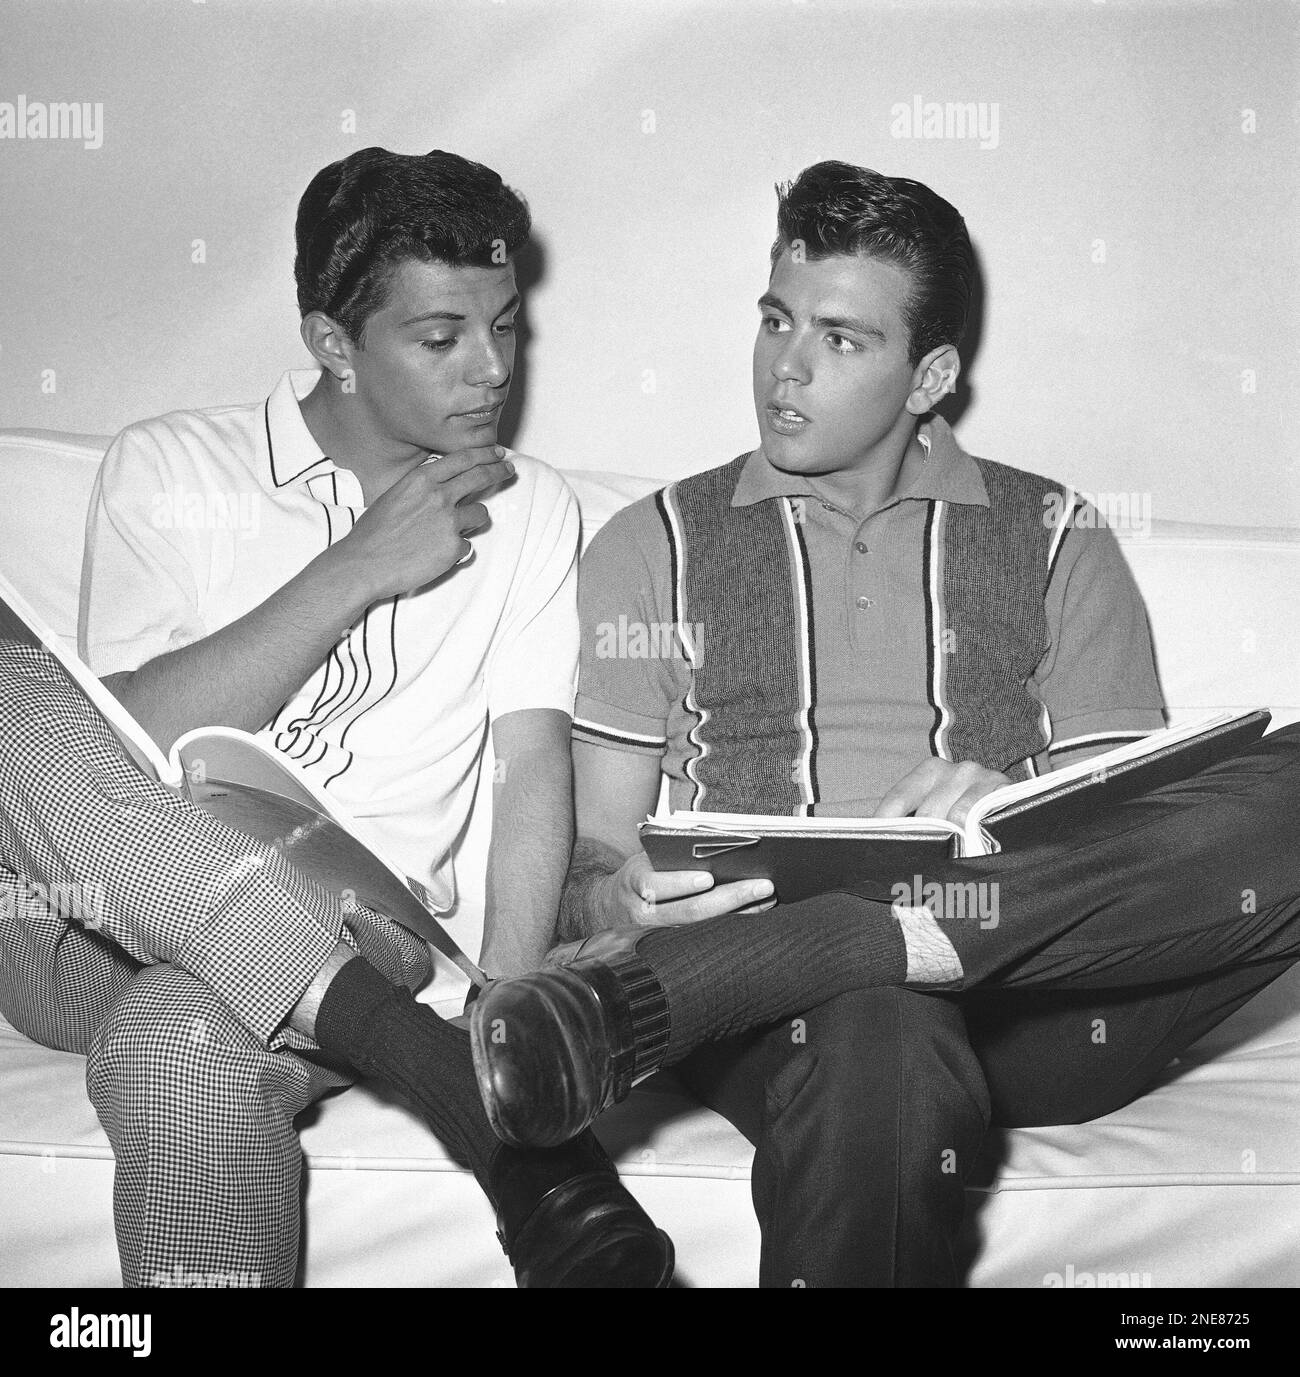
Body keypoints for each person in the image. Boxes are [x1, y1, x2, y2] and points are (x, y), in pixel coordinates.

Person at [468, 161, 1300, 1287]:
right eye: (775, 321)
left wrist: (1006, 816)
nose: (786, 368)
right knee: (879, 1027)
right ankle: (846, 953)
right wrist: (615, 896)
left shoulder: (1054, 532)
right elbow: (587, 869)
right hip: (778, 1017)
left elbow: (1137, 848)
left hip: (1040, 1007)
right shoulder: (653, 545)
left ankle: (861, 932)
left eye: (843, 340)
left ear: (931, 375)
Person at [0, 146, 672, 1288]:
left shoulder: (531, 509)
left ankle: (422, 1050)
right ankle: (439, 1081)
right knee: (14, 690)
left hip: (362, 934)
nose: (490, 369)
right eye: (441, 337)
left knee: (181, 1039)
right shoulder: (171, 465)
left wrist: (506, 998)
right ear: (330, 344)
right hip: (86, 925)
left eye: (505, 326)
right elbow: (108, 756)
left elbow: (528, 767)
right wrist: (354, 568)